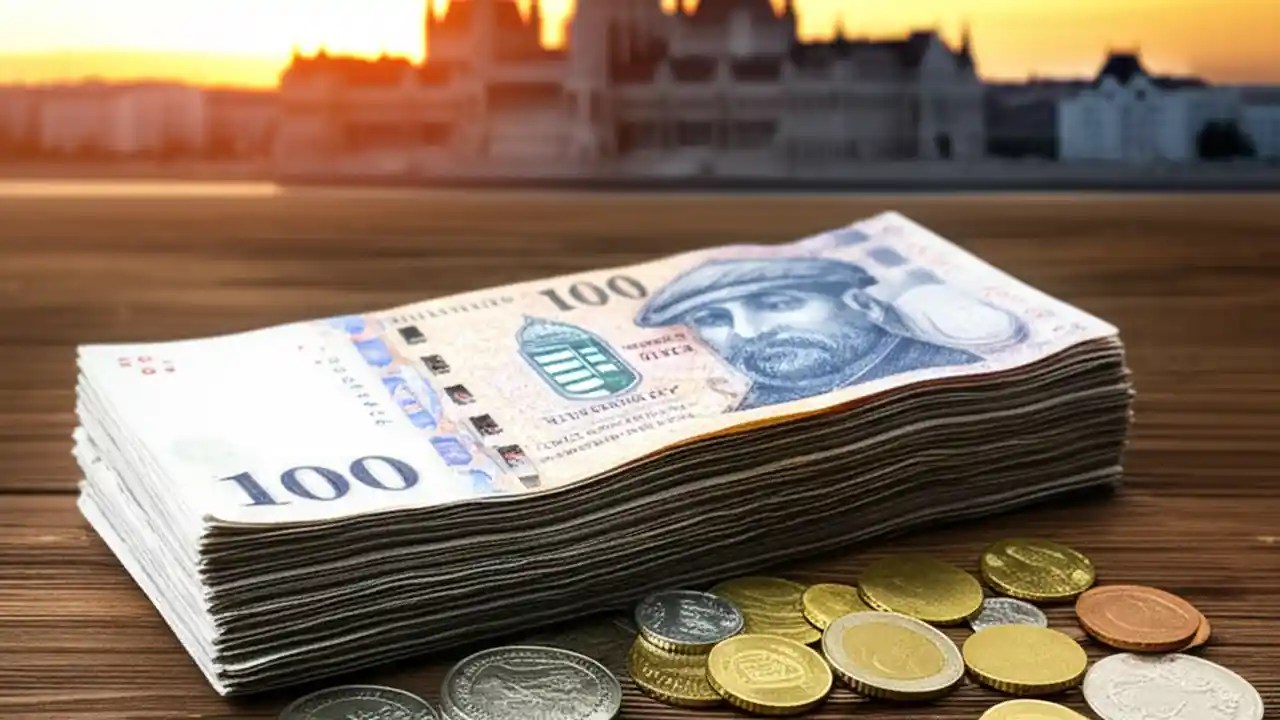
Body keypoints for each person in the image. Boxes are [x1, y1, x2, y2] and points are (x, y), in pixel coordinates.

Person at [635, 257, 982, 410]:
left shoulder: (956, 377)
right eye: (714, 319)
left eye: (778, 304)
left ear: (863, 303)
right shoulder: (738, 410)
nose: (746, 331)